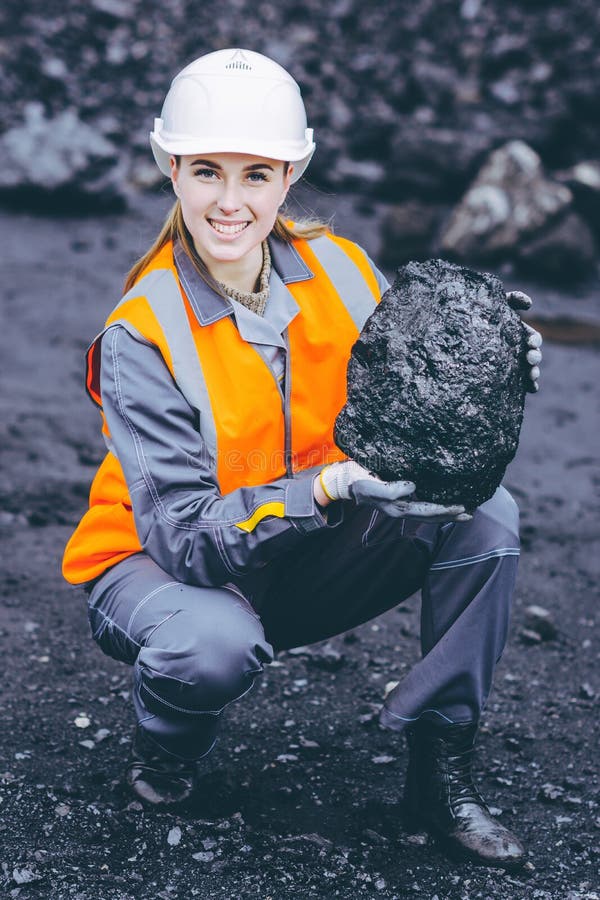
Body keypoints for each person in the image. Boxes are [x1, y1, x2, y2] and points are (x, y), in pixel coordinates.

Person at [62, 48, 542, 868]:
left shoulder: (344, 269)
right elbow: (181, 538)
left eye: (257, 174)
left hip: (305, 542)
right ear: (169, 168)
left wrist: (490, 357)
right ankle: (169, 749)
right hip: (165, 569)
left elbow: (420, 393)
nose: (229, 200)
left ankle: (440, 768)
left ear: (292, 174)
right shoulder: (141, 333)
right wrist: (325, 488)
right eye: (206, 171)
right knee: (209, 645)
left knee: (487, 516)